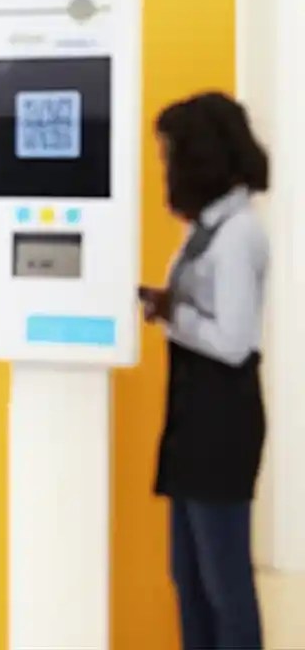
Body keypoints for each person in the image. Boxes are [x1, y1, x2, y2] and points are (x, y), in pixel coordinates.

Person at [139, 91, 269, 650]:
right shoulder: (208, 227)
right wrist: (167, 307)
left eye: (170, 153)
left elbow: (234, 341)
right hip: (194, 417)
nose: (165, 166)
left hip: (221, 419)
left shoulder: (238, 234)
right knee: (188, 577)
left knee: (224, 583)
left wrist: (172, 313)